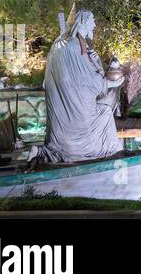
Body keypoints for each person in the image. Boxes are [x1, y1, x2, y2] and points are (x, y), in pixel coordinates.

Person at [41, 11, 123, 163]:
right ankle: (108, 154)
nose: (94, 25)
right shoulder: (73, 47)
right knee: (104, 113)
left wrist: (96, 63)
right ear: (83, 22)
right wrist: (108, 83)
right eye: (92, 21)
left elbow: (86, 76)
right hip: (75, 119)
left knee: (103, 109)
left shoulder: (67, 44)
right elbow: (86, 81)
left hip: (63, 116)